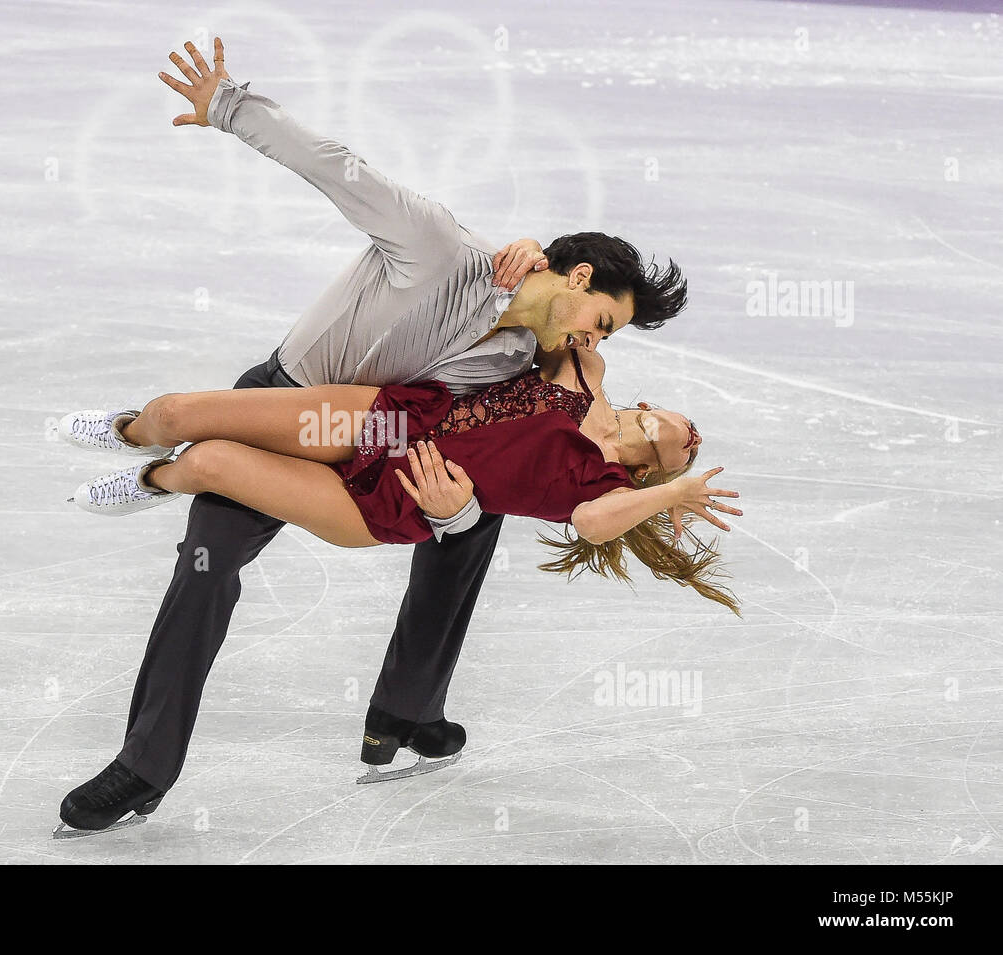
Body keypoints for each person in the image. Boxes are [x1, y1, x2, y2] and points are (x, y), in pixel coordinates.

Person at [56, 37, 691, 834]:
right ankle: (142, 765)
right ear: (579, 280)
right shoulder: (438, 247)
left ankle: (407, 707)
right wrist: (226, 106)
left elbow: (541, 449)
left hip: (385, 442)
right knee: (207, 560)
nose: (600, 341)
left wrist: (465, 507)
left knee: (476, 497)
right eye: (605, 321)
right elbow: (337, 167)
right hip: (291, 401)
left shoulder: (538, 358)